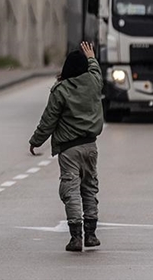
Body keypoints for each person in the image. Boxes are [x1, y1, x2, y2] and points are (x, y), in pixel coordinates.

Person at [29, 42, 104, 253]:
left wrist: (36, 140)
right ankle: (91, 235)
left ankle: (76, 238)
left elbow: (49, 119)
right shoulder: (94, 83)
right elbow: (96, 70)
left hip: (69, 149)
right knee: (89, 188)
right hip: (91, 146)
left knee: (71, 190)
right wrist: (91, 57)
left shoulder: (61, 90)